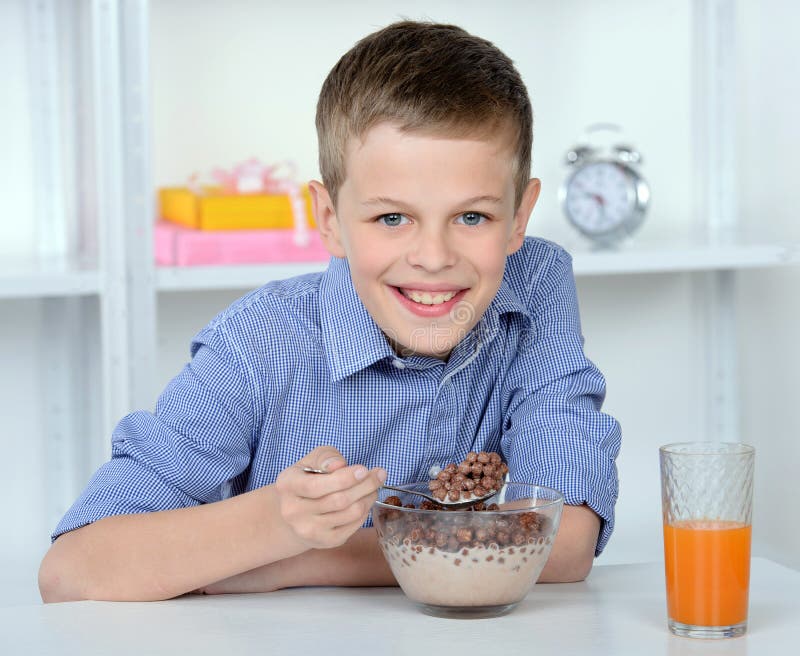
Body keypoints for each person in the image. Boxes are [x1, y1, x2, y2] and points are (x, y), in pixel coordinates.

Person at [38, 20, 621, 602]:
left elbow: (565, 542)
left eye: (472, 217)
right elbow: (71, 571)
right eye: (392, 218)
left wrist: (300, 559)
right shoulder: (262, 341)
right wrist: (273, 524)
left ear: (519, 216)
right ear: (328, 219)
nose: (434, 258)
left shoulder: (535, 283)